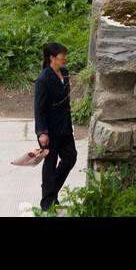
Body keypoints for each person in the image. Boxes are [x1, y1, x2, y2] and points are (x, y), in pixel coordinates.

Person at [32, 41, 77, 212]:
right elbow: (39, 108)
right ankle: (47, 204)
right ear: (52, 58)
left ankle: (50, 193)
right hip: (49, 130)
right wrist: (42, 132)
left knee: (70, 157)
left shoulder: (64, 73)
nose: (65, 58)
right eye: (62, 56)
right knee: (50, 164)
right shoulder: (43, 79)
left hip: (65, 126)